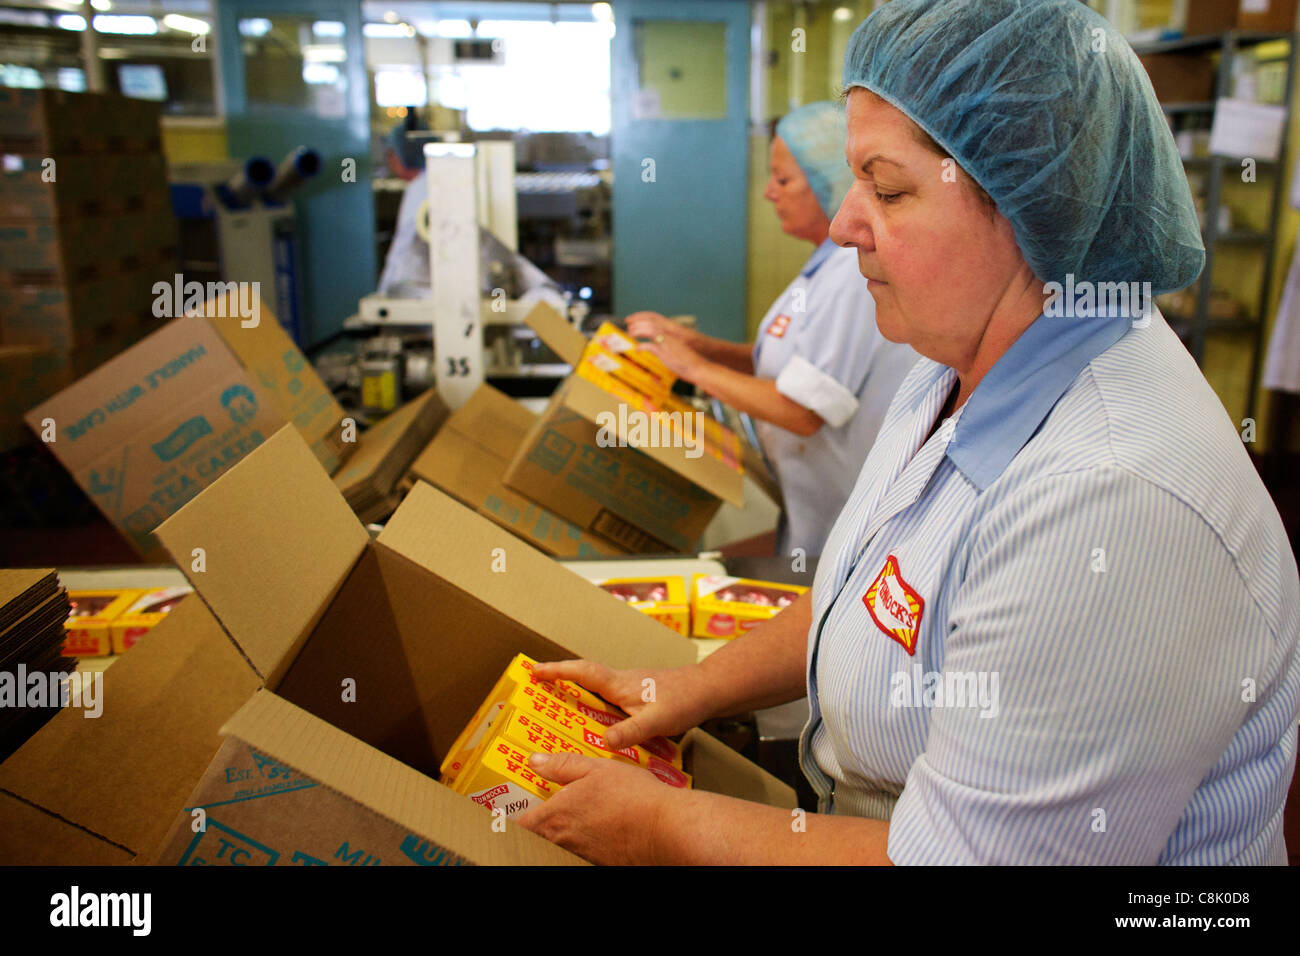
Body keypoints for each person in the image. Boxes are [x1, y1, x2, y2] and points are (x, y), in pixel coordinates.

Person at [514, 0, 1300, 865]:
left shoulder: (1114, 502)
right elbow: (870, 589)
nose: (847, 221)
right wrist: (689, 687)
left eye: (887, 188)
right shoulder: (952, 367)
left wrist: (665, 826)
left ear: (1036, 208)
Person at [627, 101, 917, 557]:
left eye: (782, 179)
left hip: (847, 529)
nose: (768, 193)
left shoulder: (852, 273)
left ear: (828, 183)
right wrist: (703, 348)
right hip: (809, 514)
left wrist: (696, 368)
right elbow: (795, 365)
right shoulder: (823, 265)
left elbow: (803, 410)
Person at [377, 116, 432, 298]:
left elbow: (401, 252)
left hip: (419, 292)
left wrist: (383, 294)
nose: (390, 162)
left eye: (391, 154)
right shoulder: (425, 183)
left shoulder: (420, 190)